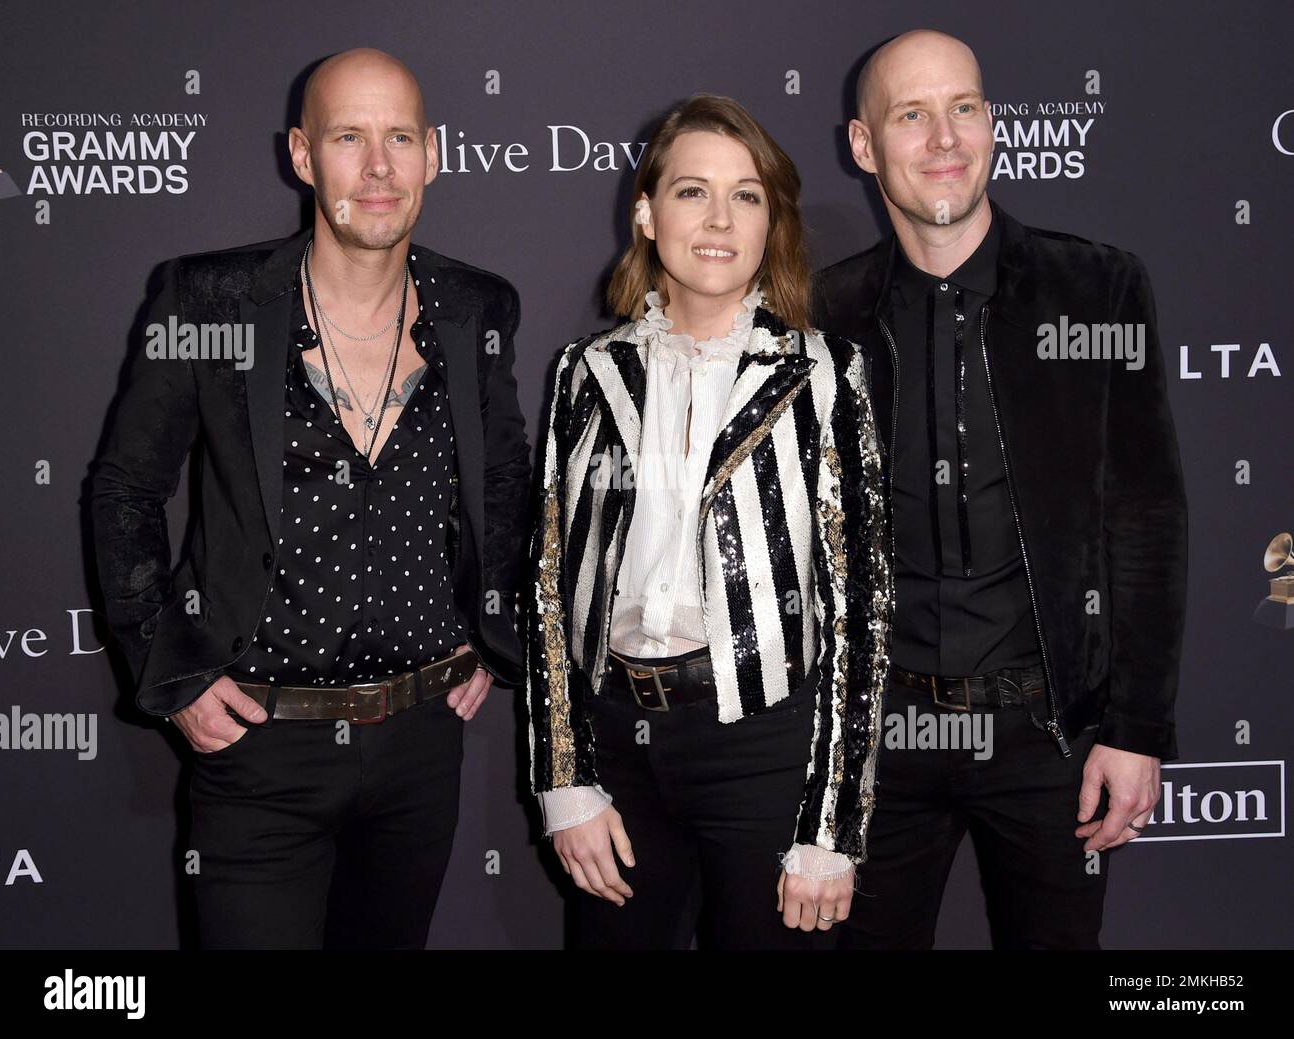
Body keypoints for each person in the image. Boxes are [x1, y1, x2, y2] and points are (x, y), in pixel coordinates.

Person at [89, 48, 530, 949]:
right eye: (348, 137)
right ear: (301, 154)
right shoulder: (211, 299)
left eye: (400, 137)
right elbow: (127, 488)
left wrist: (496, 627)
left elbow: (503, 482)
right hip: (258, 744)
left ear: (432, 154)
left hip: (419, 742)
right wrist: (167, 670)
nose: (378, 167)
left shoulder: (477, 308)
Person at [811, 30, 1188, 949]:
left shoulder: (1095, 289)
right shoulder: (821, 316)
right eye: (912, 114)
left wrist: (1137, 727)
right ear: (864, 147)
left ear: (991, 124)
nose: (945, 137)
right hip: (879, 743)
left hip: (1049, 737)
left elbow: (1146, 517)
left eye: (964, 108)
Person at [525, 94, 892, 949]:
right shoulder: (586, 373)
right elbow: (547, 583)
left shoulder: (825, 377)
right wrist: (563, 778)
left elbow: (862, 611)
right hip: (617, 743)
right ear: (648, 213)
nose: (720, 218)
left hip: (762, 745)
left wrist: (831, 828)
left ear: (774, 222)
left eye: (748, 194)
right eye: (693, 192)